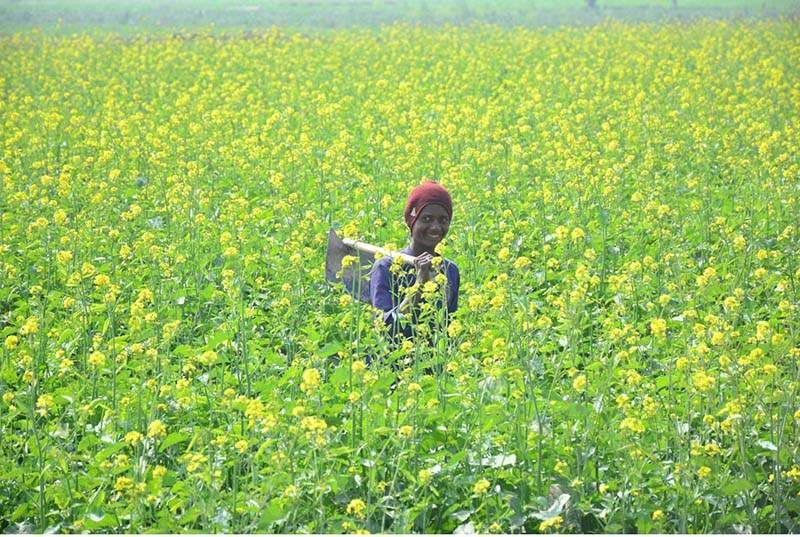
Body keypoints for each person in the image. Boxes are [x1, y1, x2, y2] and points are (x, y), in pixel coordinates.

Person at [369, 181, 460, 344]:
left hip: (435, 366)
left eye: (443, 220)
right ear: (412, 221)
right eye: (426, 219)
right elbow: (384, 328)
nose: (435, 227)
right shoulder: (385, 267)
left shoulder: (450, 270)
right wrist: (419, 284)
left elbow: (449, 328)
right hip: (393, 365)